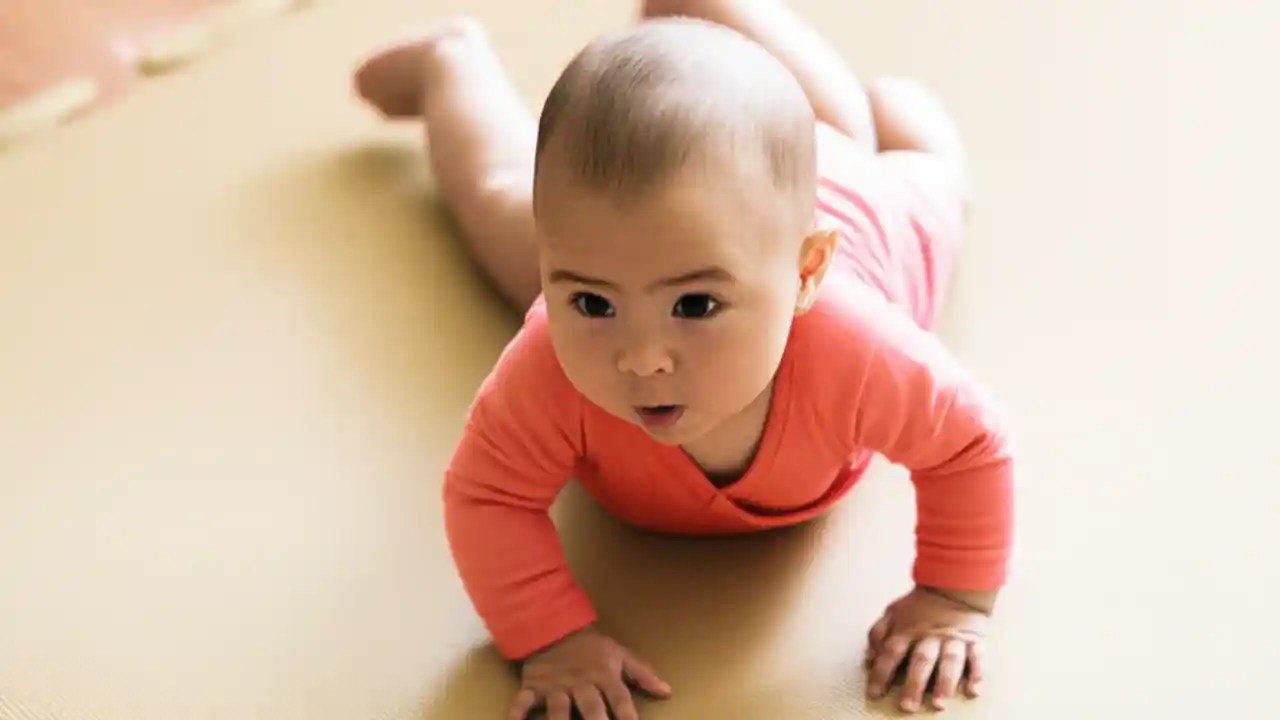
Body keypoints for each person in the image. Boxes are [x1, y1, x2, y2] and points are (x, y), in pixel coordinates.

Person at [354, 1, 1013, 717]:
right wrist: (548, 638)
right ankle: (454, 60)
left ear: (805, 273)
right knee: (497, 199)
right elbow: (488, 497)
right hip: (655, 227)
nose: (640, 359)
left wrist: (952, 597)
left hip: (864, 194)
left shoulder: (860, 348)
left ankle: (872, 109)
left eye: (695, 307)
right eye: (592, 306)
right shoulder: (552, 353)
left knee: (911, 161)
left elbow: (969, 446)